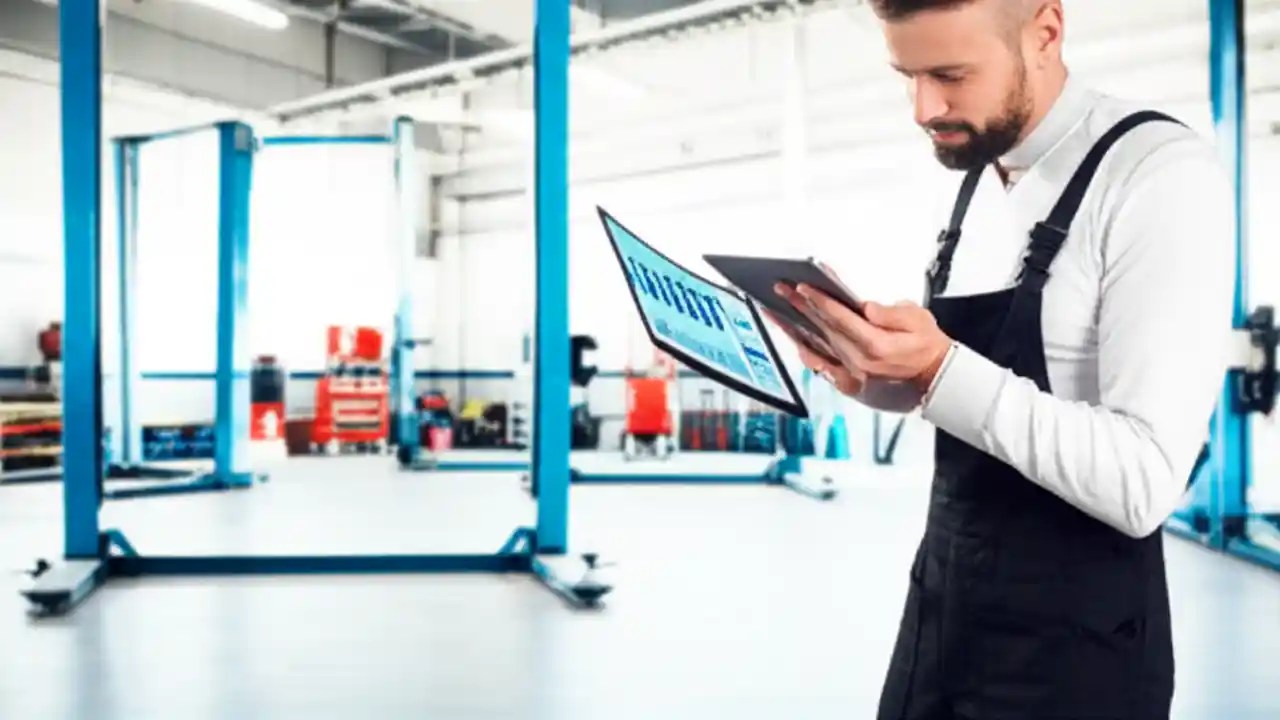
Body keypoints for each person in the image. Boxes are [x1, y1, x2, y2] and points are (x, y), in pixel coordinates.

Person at [767, 0, 1236, 717]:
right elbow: (961, 395)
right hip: (942, 613)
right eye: (907, 76)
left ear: (1045, 33)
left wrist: (938, 369)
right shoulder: (973, 181)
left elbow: (1144, 484)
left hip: (1076, 654)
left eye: (950, 75)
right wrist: (873, 373)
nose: (923, 108)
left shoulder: (1158, 175)